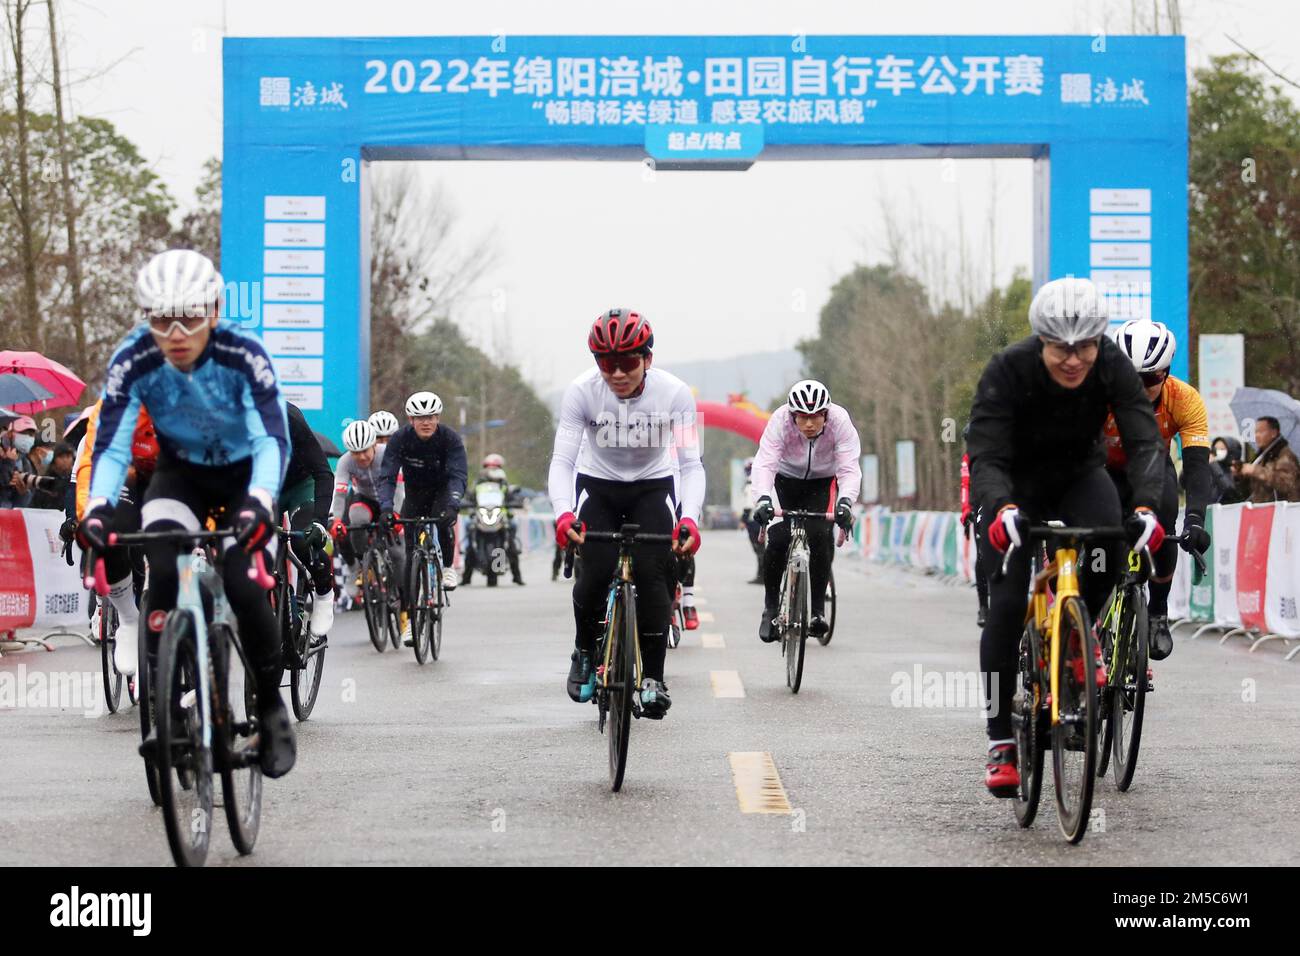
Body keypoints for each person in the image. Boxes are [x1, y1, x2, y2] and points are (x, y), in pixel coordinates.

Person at [79, 248, 295, 778]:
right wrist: (99, 508)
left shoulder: (244, 352)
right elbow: (110, 446)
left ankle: (269, 706)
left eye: (190, 317)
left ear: (215, 310)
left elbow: (272, 438)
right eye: (160, 319)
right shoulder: (134, 357)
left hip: (246, 475)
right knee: (166, 572)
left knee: (244, 586)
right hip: (180, 477)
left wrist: (262, 501)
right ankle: (167, 709)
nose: (176, 332)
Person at [968, 276, 1164, 798]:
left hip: (1081, 475)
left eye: (1086, 347)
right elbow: (984, 454)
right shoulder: (1008, 369)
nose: (1074, 359)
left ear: (1100, 341)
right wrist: (1000, 507)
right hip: (1016, 484)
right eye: (1061, 348)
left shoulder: (1113, 367)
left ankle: (1082, 635)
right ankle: (999, 740)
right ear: (1041, 341)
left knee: (1110, 550)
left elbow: (1145, 440)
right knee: (1008, 606)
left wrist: (1145, 506)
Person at [550, 308, 703, 718]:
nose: (617, 373)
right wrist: (564, 515)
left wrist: (690, 519)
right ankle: (584, 650)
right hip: (597, 485)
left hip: (653, 485)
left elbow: (691, 465)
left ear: (647, 360)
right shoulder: (581, 392)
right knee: (596, 570)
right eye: (606, 363)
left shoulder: (676, 394)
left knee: (656, 574)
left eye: (628, 363)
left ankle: (653, 676)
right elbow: (562, 462)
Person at [1103, 319, 1213, 660]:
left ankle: (1157, 613)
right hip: (1103, 469)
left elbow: (1196, 466)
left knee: (1165, 527)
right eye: (1131, 378)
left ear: (1165, 373)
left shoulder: (1184, 399)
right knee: (1096, 534)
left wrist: (1195, 520)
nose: (1140, 386)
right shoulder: (1099, 393)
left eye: (1149, 379)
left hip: (1152, 469)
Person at [750, 379, 861, 643]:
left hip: (820, 482)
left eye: (815, 417)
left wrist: (845, 501)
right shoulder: (779, 421)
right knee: (777, 540)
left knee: (820, 537)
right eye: (802, 418)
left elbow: (849, 468)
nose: (809, 424)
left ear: (826, 413)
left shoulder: (840, 422)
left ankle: (818, 612)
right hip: (784, 480)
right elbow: (765, 464)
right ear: (792, 415)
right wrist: (763, 498)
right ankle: (771, 609)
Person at [68, 402, 158, 674]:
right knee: (112, 533)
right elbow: (87, 474)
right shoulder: (115, 405)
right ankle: (130, 618)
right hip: (125, 478)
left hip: (174, 478)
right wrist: (86, 516)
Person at [377, 391, 467, 644]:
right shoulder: (400, 439)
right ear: (410, 419)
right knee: (408, 558)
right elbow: (387, 476)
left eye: (430, 416)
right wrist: (386, 508)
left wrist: (454, 503)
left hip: (442, 492)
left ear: (437, 417)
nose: (425, 422)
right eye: (419, 417)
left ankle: (447, 567)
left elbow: (458, 475)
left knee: (444, 521)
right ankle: (411, 620)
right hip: (414, 496)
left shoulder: (450, 439)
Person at [279, 403, 338, 642]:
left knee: (303, 541)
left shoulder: (289, 417)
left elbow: (323, 473)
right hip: (263, 488)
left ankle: (324, 594)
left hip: (301, 485)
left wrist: (319, 523)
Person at [461, 453, 525, 586]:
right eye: (489, 467)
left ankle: (516, 576)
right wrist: (466, 502)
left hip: (501, 517)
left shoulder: (504, 485)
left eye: (495, 467)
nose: (492, 470)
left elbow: (512, 498)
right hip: (482, 516)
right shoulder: (478, 485)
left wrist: (514, 502)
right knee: (469, 532)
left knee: (512, 532)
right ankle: (466, 577)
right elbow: (470, 498)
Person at [959, 425, 989, 628]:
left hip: (996, 502)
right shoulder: (968, 459)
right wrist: (966, 509)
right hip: (978, 505)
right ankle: (983, 607)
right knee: (982, 557)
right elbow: (965, 485)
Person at [1235, 416, 1300, 503]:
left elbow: (1286, 484)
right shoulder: (1261, 455)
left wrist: (1255, 471)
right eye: (1255, 432)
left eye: (1261, 432)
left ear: (1273, 433)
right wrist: (1240, 474)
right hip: (1262, 509)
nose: (1256, 436)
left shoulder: (1285, 454)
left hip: (1282, 511)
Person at [1, 416, 40, 509]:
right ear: (10, 433)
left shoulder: (25, 462)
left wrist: (23, 493)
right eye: (24, 433)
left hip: (10, 518)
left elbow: (23, 505)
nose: (28, 438)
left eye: (31, 434)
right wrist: (8, 463)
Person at [740, 457, 764, 584]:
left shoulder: (750, 484)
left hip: (754, 521)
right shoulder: (760, 482)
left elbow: (748, 505)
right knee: (760, 550)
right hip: (760, 519)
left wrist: (743, 519)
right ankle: (762, 575)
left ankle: (762, 576)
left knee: (759, 550)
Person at [1209, 436, 1246, 504]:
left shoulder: (1237, 468)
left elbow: (1229, 490)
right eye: (1215, 449)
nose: (1217, 451)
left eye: (1222, 449)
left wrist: (1213, 465)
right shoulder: (1211, 467)